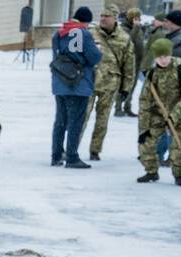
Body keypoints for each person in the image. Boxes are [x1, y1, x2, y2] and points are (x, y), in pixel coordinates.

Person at [137, 36, 181, 185]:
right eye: (159, 57)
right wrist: (143, 127)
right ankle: (151, 171)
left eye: (166, 56)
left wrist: (174, 116)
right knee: (146, 143)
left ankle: (179, 174)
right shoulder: (152, 74)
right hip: (158, 114)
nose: (163, 60)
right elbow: (145, 100)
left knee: (177, 146)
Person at [50, 6, 101, 169]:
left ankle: (56, 155)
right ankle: (72, 157)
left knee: (60, 120)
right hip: (79, 83)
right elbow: (94, 58)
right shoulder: (84, 33)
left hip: (60, 82)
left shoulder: (58, 33)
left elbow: (56, 56)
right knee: (76, 121)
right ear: (85, 21)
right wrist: (98, 51)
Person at [85, 3, 134, 161]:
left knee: (102, 120)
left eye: (107, 16)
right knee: (81, 116)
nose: (103, 19)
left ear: (115, 18)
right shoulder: (90, 34)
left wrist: (126, 88)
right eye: (101, 16)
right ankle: (72, 148)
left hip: (111, 84)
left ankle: (95, 150)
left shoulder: (124, 39)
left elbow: (129, 65)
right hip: (89, 82)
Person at [121, 6, 142, 115]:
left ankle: (127, 106)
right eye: (136, 18)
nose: (138, 20)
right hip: (128, 61)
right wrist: (136, 28)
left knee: (133, 85)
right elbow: (129, 41)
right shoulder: (124, 28)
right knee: (125, 85)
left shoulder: (137, 28)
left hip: (137, 60)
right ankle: (118, 108)